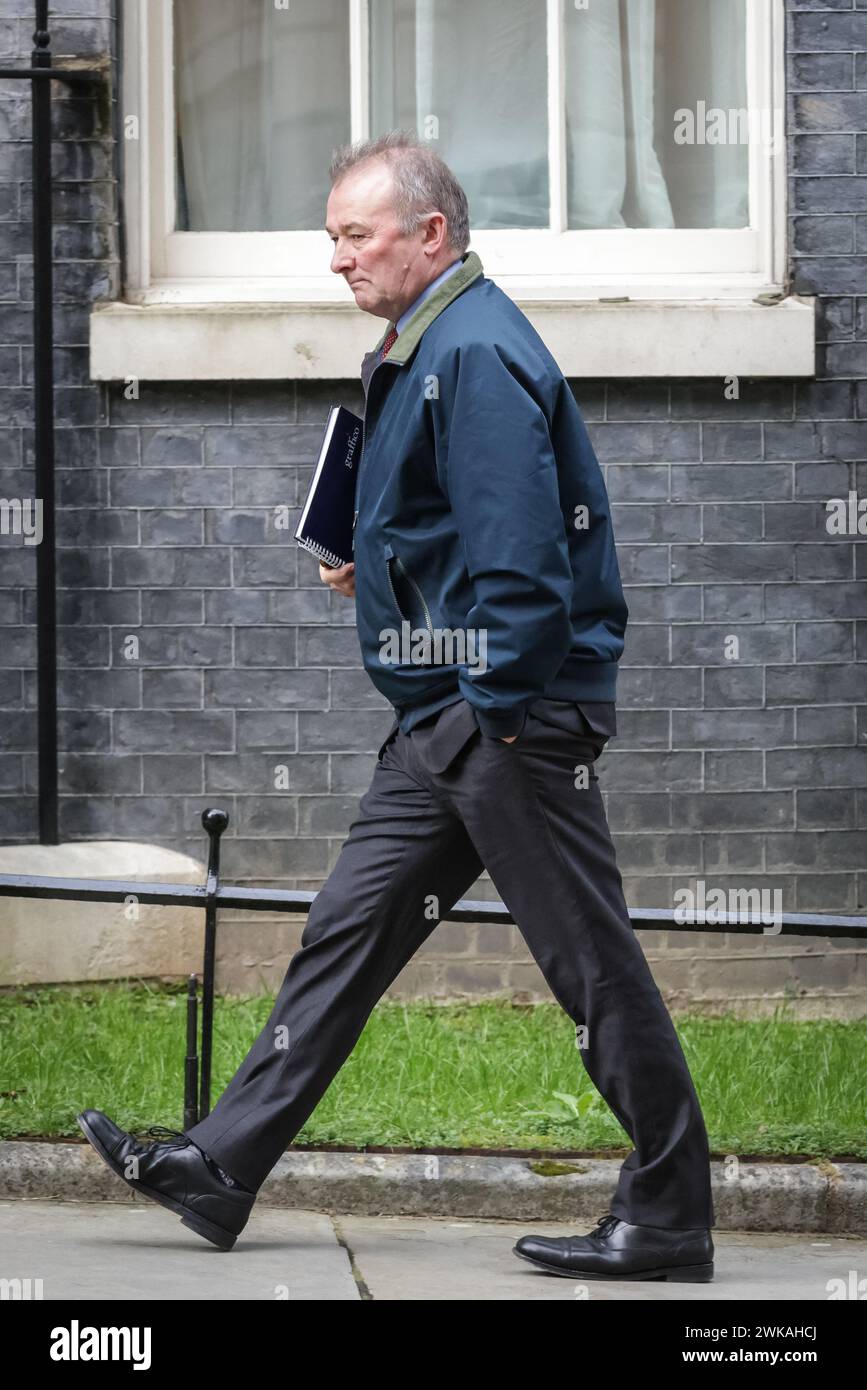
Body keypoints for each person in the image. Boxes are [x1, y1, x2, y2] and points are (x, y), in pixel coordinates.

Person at [78, 131, 714, 1282]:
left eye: (355, 233)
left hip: (503, 721)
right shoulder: (433, 339)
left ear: (433, 232)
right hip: (447, 723)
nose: (338, 258)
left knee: (590, 965)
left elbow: (527, 571)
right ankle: (221, 1167)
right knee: (346, 933)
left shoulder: (471, 353)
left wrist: (499, 711)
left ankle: (668, 1212)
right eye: (332, 236)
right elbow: (460, 534)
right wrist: (371, 571)